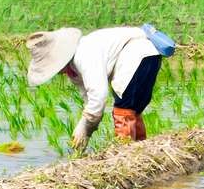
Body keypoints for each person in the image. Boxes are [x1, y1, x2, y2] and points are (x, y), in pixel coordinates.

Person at [26, 25, 171, 150]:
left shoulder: (83, 55)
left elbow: (99, 95)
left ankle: (125, 156)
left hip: (137, 54)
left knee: (124, 111)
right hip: (147, 55)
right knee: (132, 111)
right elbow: (89, 98)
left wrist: (84, 127)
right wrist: (86, 128)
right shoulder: (73, 68)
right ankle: (140, 150)